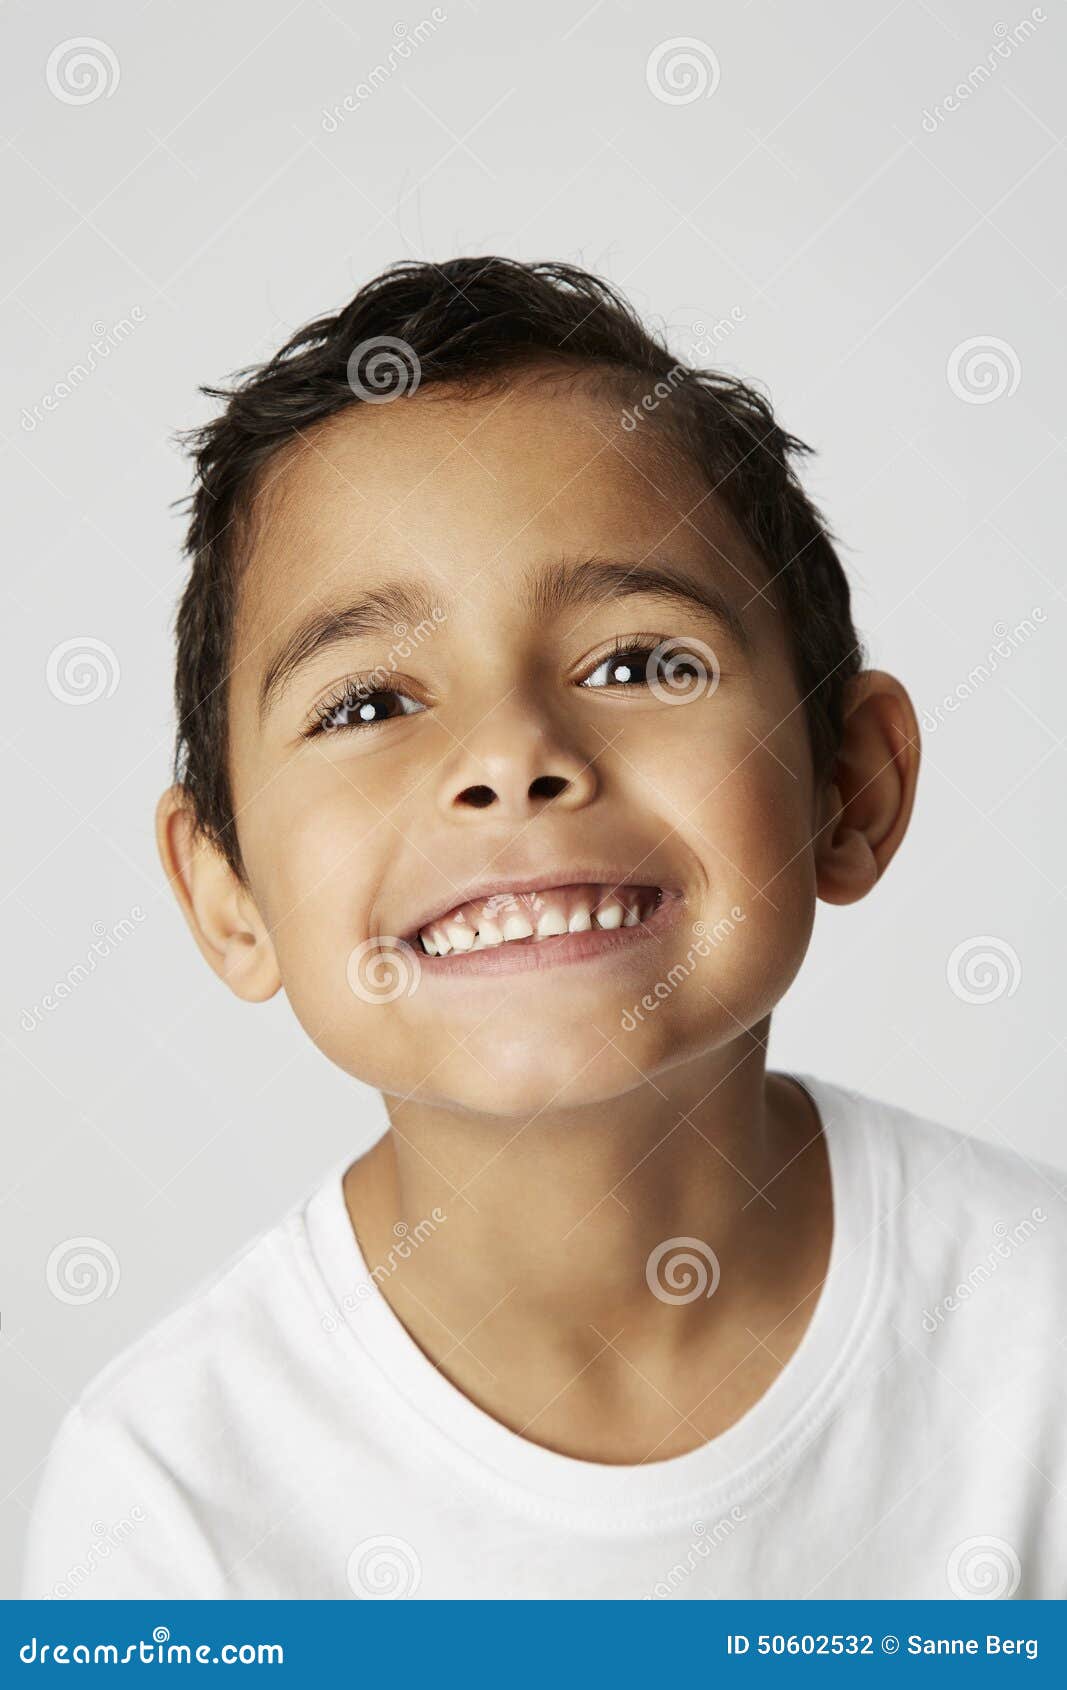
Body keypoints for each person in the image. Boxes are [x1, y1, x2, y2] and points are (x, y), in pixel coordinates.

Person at [23, 257, 1067, 1600]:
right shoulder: (163, 1505)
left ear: (850, 787)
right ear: (227, 894)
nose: (511, 756)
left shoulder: (1035, 1343)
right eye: (367, 704)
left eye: (638, 662)